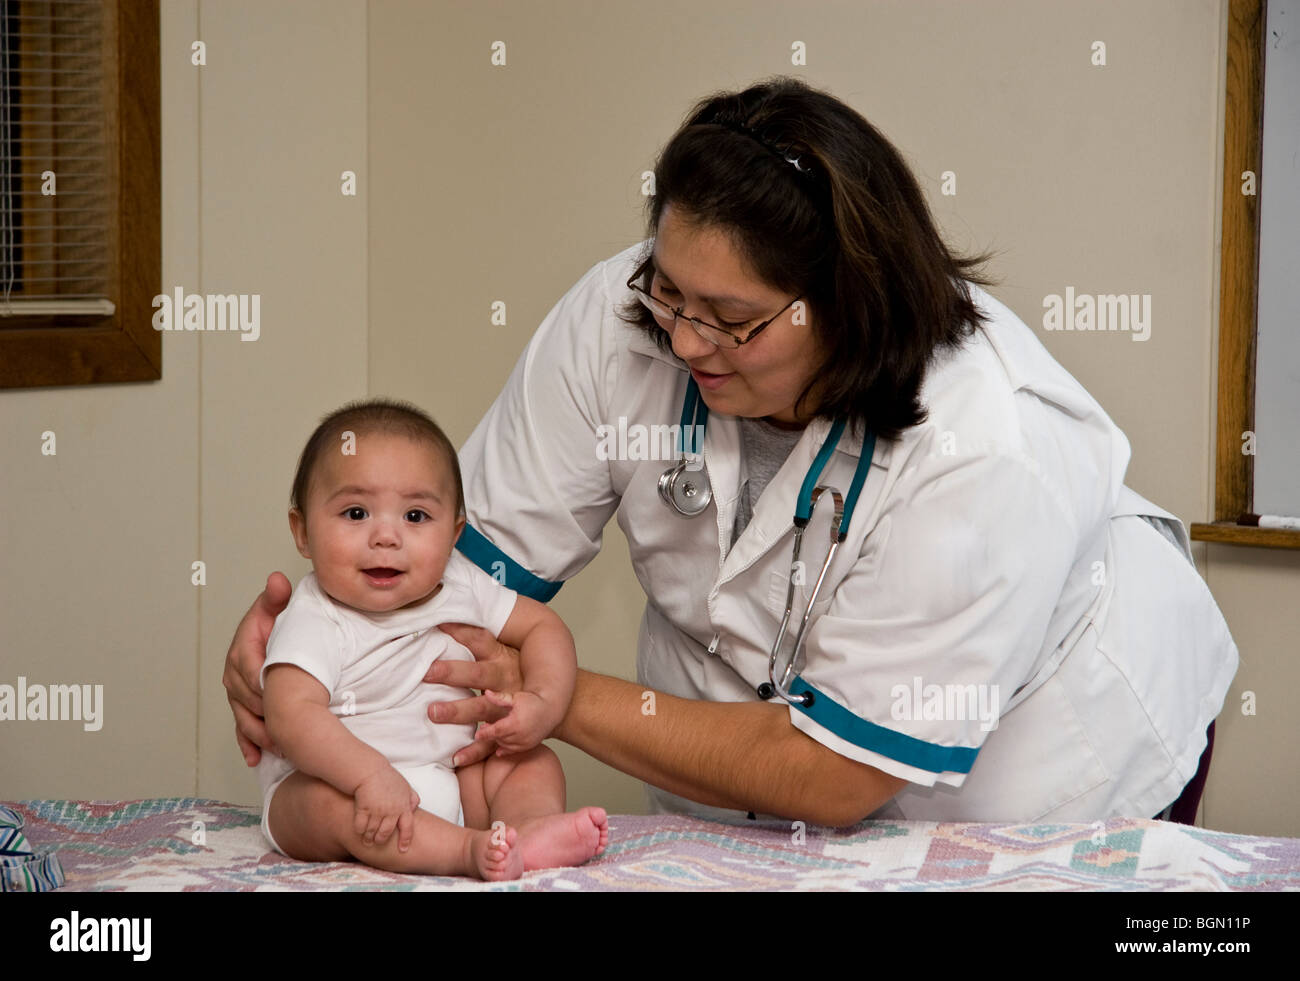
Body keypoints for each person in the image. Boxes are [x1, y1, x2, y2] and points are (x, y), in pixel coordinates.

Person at [226, 77, 1238, 826]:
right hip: (729, 725)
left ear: (848, 306)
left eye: (733, 321)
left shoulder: (984, 446)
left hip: (1035, 749)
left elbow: (835, 774)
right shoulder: (625, 315)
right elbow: (453, 576)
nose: (683, 341)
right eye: (671, 294)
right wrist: (322, 640)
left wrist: (554, 694)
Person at [256, 398, 607, 880]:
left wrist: (544, 701)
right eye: (356, 512)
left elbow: (544, 627)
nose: (386, 536)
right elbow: (290, 716)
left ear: (454, 534)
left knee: (531, 760)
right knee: (325, 806)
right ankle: (465, 853)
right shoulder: (315, 616)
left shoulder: (464, 584)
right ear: (302, 532)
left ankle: (525, 830)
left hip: (457, 777)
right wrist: (369, 777)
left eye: (416, 517)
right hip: (343, 786)